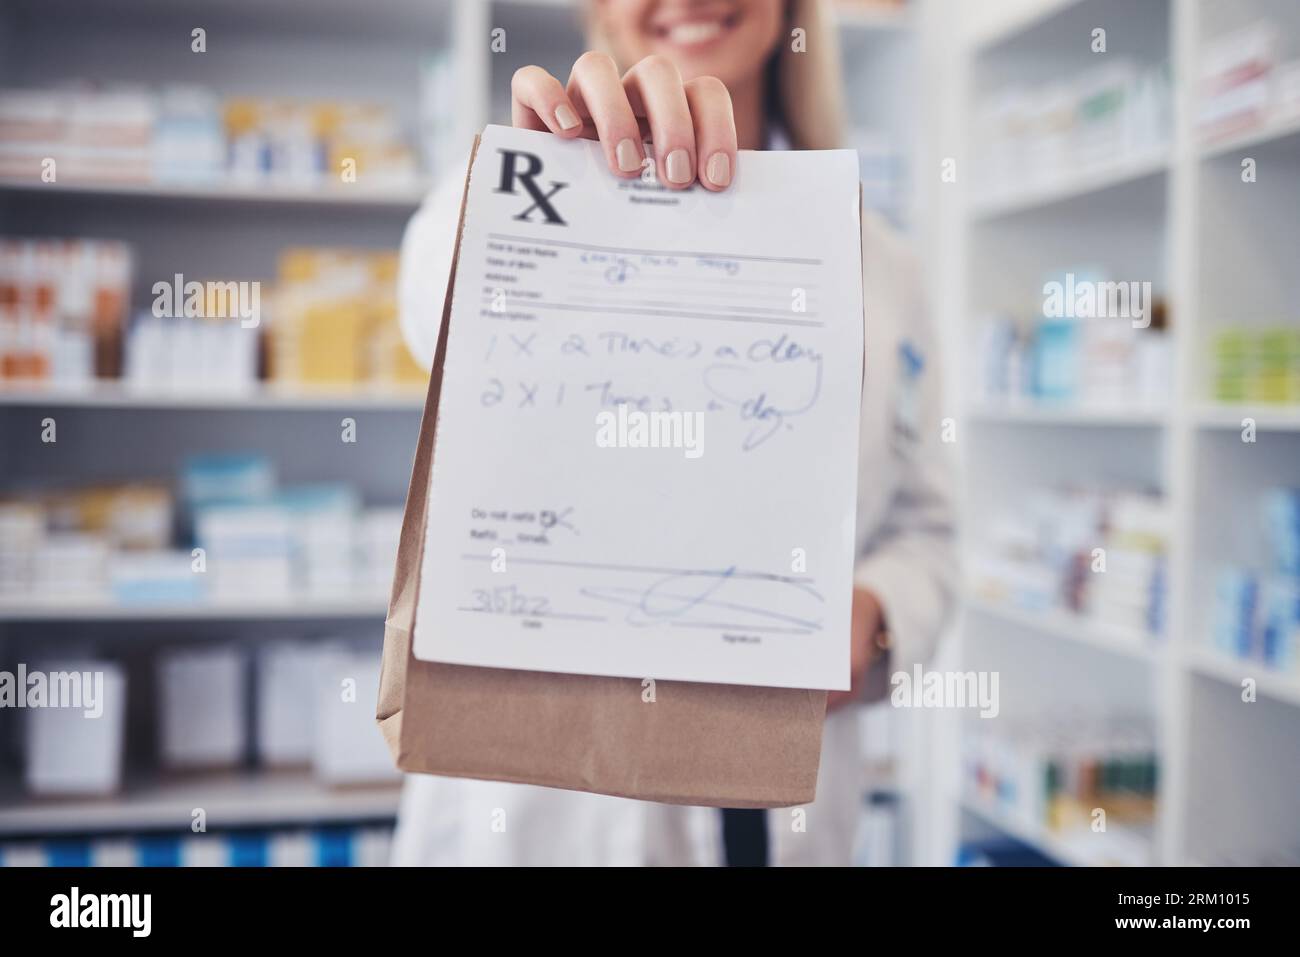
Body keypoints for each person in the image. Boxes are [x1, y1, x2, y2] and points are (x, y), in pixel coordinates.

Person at [391, 0, 956, 866]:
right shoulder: (500, 197)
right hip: (548, 817)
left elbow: (930, 527)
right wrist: (549, 195)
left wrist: (874, 616)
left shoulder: (885, 264)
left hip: (782, 798)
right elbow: (440, 318)